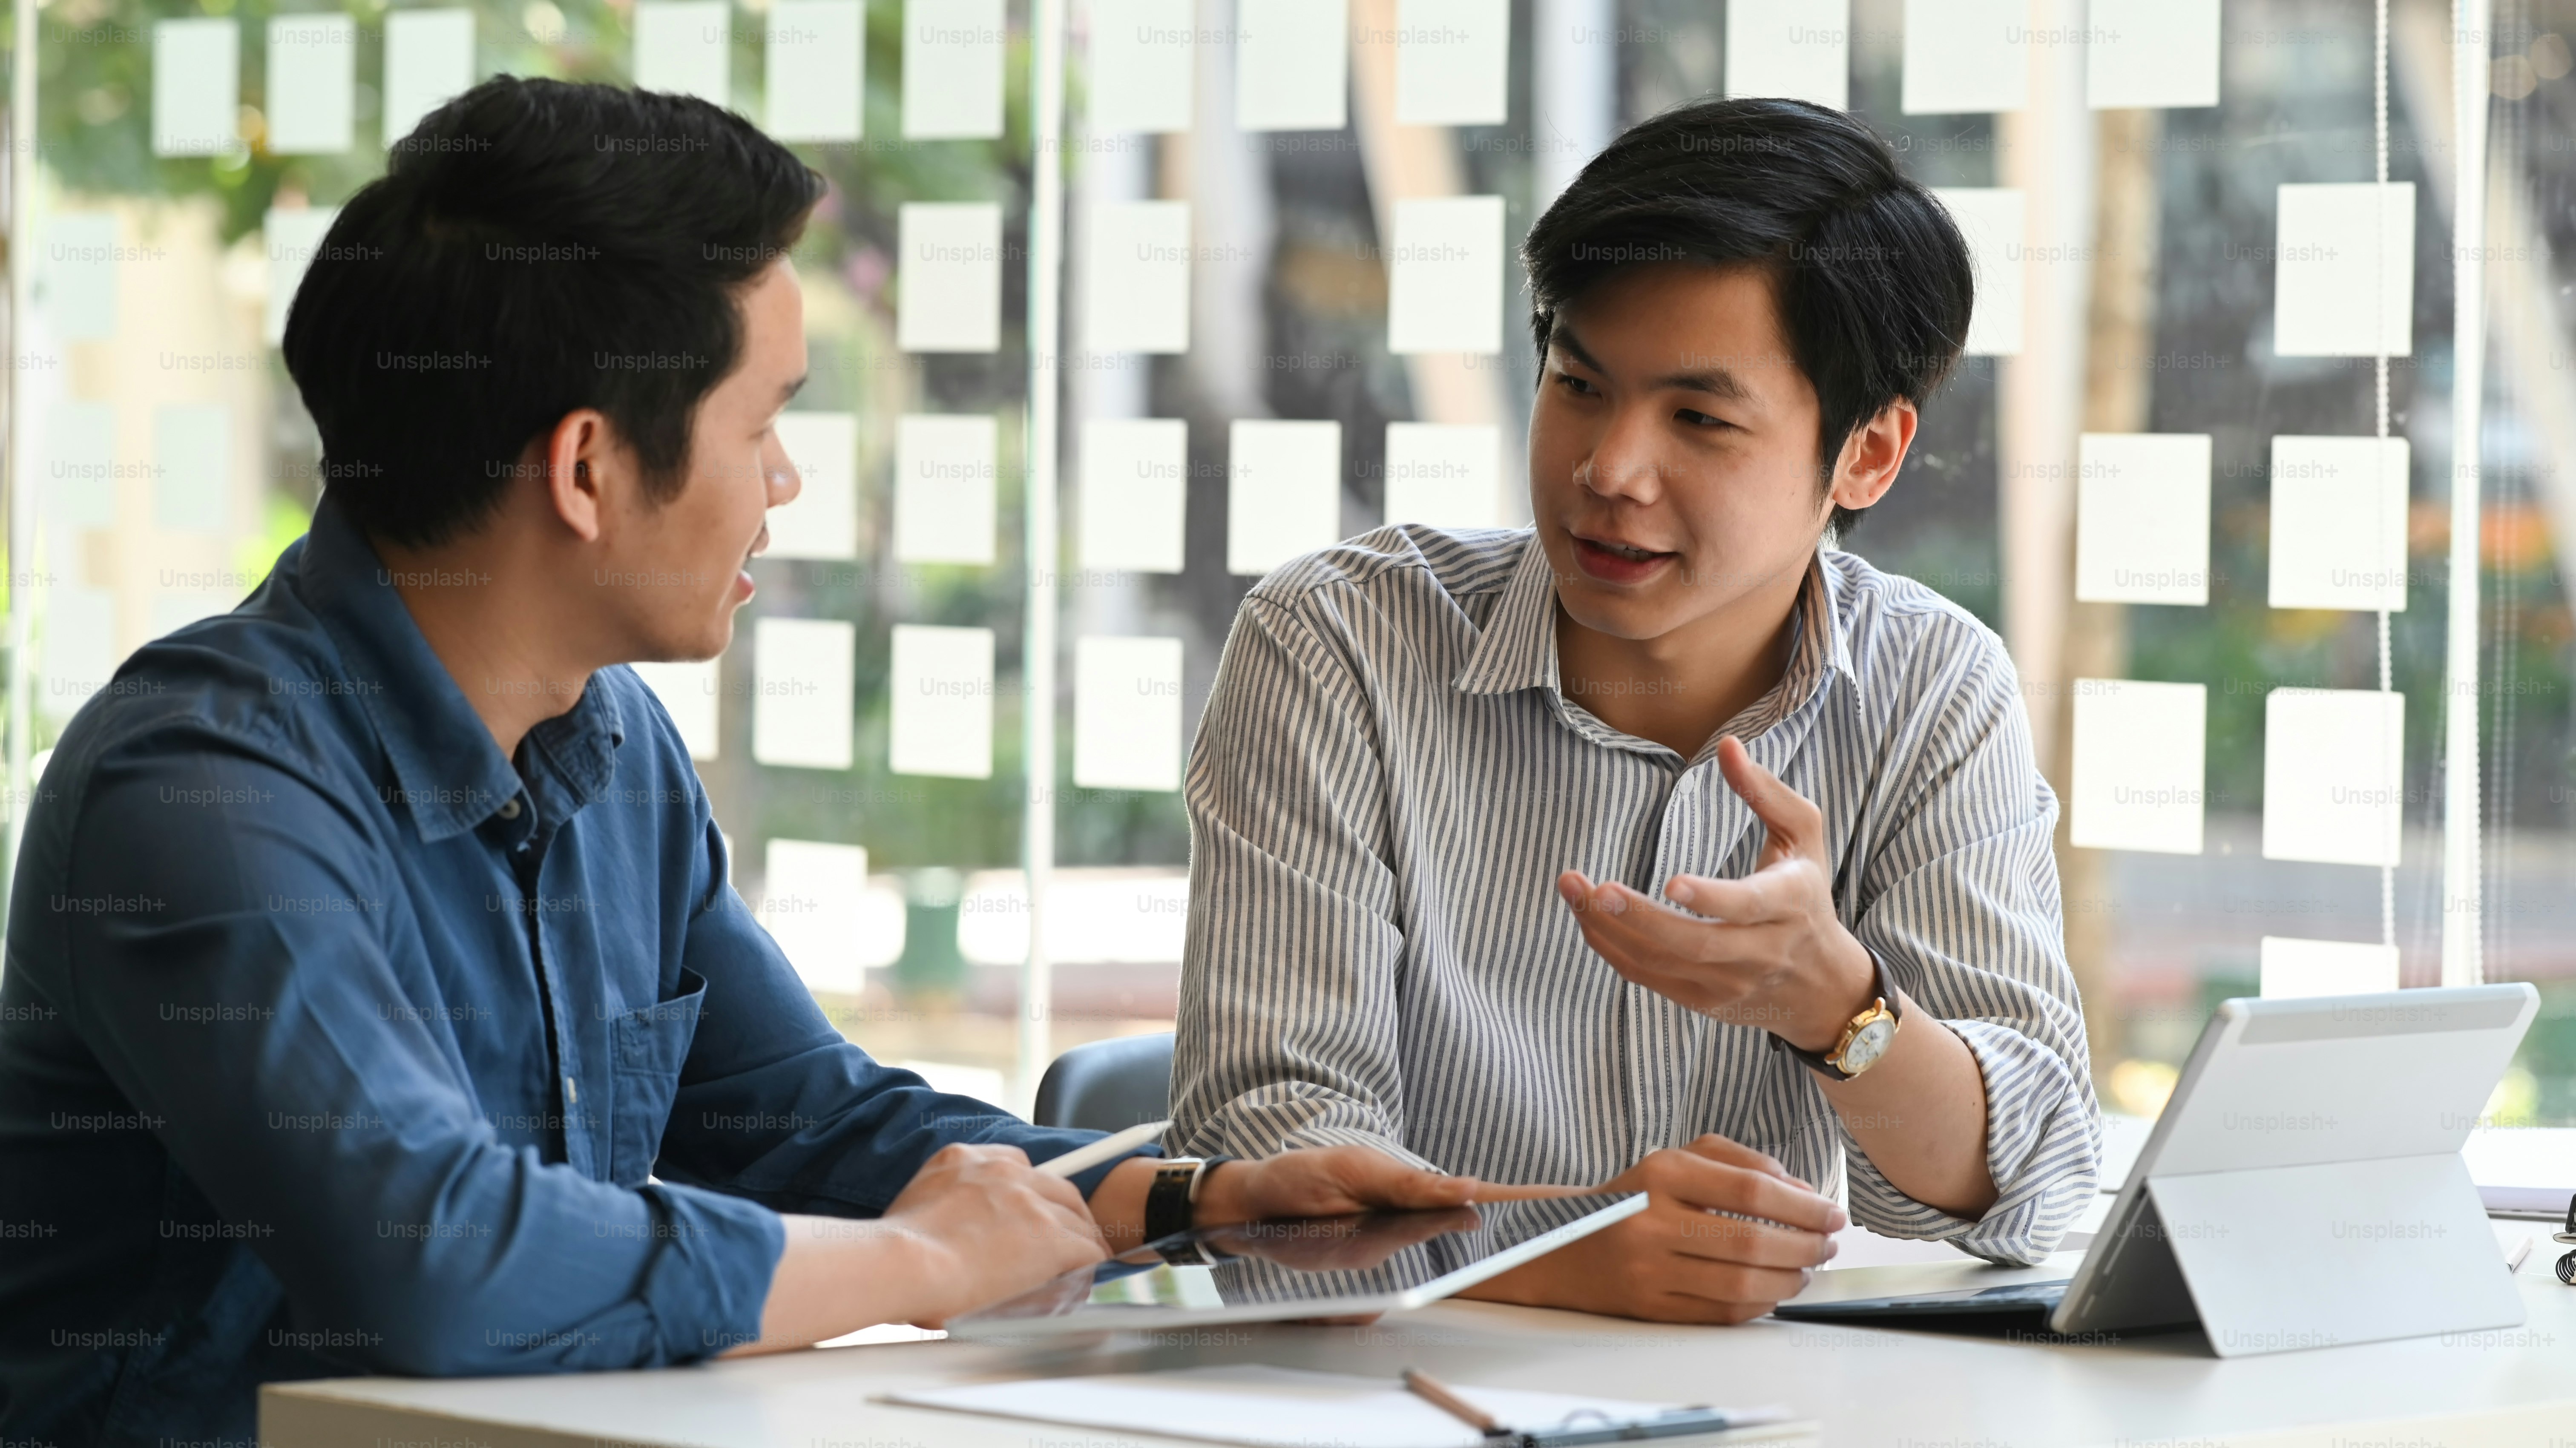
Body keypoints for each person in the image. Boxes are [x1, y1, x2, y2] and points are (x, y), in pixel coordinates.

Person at [0, 78, 1469, 1445]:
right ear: (586, 470)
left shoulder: (609, 743)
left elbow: (811, 1126)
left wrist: (1199, 1200)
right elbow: (435, 1258)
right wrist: (911, 1262)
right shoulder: (197, 789)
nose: (787, 478)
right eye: (764, 423)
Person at [1170, 97, 2102, 1324]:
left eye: (1700, 419)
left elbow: (2028, 1194)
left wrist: (1838, 1007)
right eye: (1577, 383)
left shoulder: (1932, 686)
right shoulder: (1340, 646)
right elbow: (1259, 1173)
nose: (1609, 469)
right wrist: (1562, 1268)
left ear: (1867, 454)